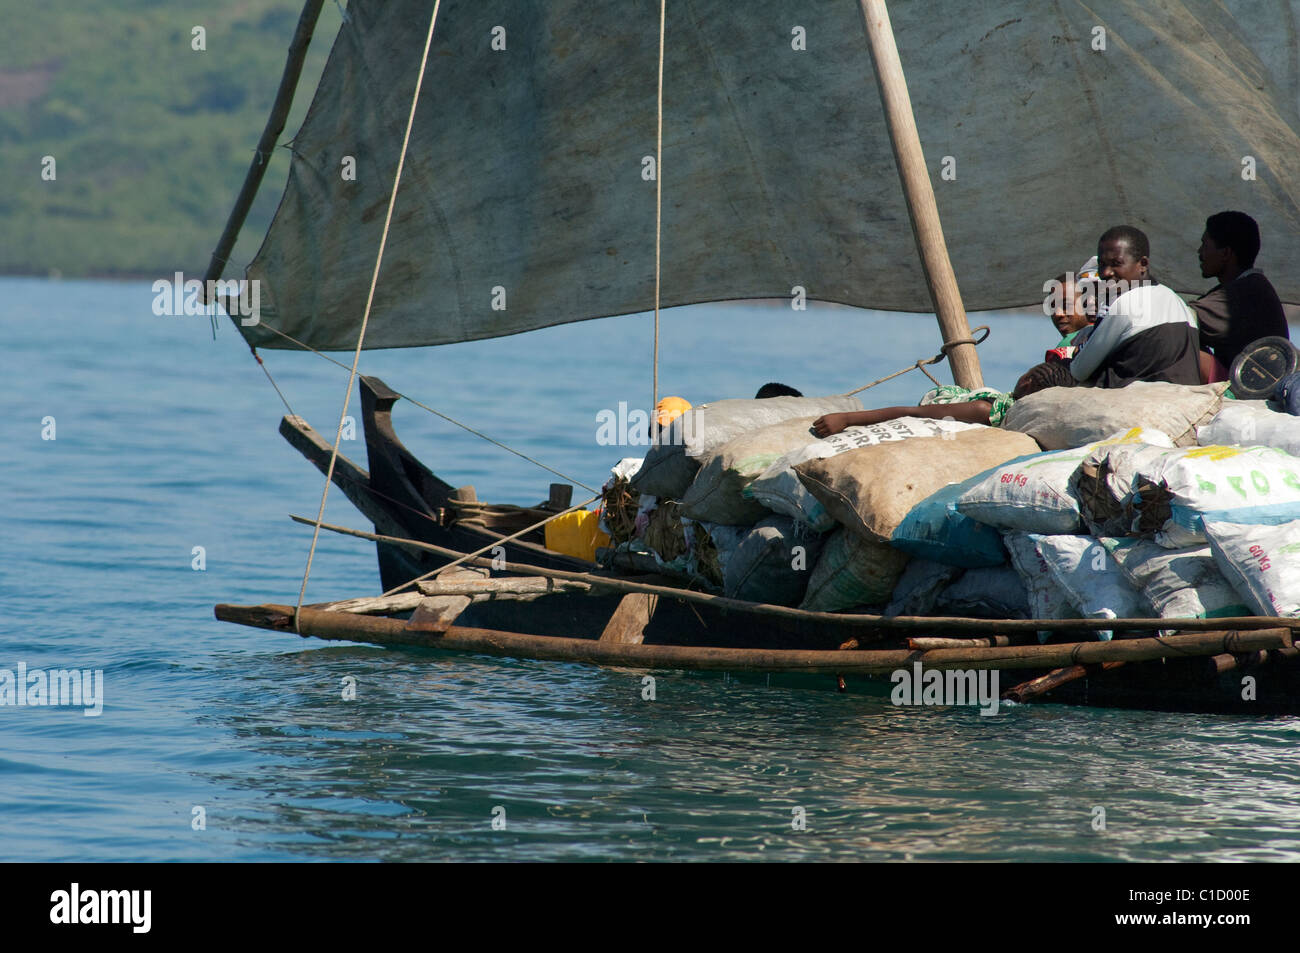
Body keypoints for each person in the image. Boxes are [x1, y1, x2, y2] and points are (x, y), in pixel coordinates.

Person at [1069, 225, 1201, 387]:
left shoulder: (1126, 304)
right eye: (1102, 265)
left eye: (1116, 263)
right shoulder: (1176, 300)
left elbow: (1079, 370)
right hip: (1184, 398)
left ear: (1143, 264)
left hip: (1142, 403)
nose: (1105, 273)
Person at [812, 360, 1077, 436]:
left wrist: (846, 418)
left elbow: (912, 414)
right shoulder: (1026, 423)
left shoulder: (984, 409)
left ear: (1025, 381)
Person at [1191, 210, 1289, 371]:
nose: (1200, 252)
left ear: (1225, 253)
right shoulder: (1248, 286)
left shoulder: (1246, 292)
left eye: (1205, 245)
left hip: (1248, 390)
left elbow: (1180, 317)